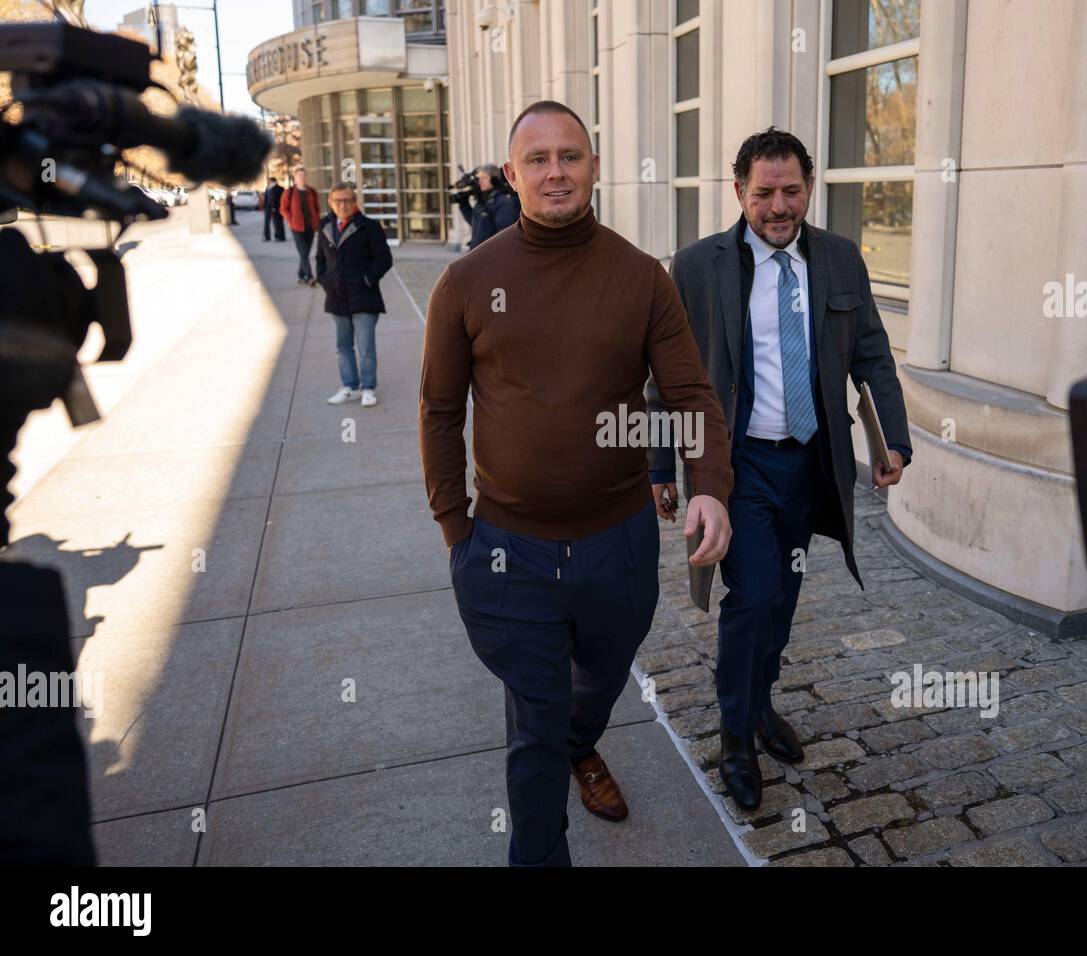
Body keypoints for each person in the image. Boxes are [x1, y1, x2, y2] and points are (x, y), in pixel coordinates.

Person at [419, 100, 734, 868]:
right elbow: (437, 410)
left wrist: (710, 485)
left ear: (594, 166)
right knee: (532, 727)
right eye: (538, 159)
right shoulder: (466, 281)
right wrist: (456, 527)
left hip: (617, 544)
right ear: (512, 173)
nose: (555, 171)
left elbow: (690, 396)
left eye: (570, 156)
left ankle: (582, 743)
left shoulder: (641, 277)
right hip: (506, 551)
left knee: (599, 676)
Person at [646, 127, 911, 810]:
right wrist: (658, 467)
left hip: (811, 464)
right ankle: (736, 734)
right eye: (763, 192)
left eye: (791, 190)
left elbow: (872, 355)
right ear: (739, 191)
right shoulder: (699, 267)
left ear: (809, 188)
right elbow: (664, 377)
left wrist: (894, 441)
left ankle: (761, 704)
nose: (778, 206)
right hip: (735, 468)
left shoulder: (841, 261)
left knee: (784, 603)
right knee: (754, 596)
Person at [316, 184, 392, 408]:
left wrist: (367, 279)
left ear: (355, 201)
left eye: (347, 200)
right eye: (338, 201)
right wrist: (324, 280)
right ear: (330, 203)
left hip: (364, 297)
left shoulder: (369, 227)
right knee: (343, 345)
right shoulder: (324, 226)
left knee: (365, 346)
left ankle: (368, 388)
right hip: (336, 296)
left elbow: (384, 259)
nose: (343, 205)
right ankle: (348, 386)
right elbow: (320, 258)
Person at [453, 163, 520, 249]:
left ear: (494, 180)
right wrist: (464, 204)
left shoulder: (503, 202)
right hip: (476, 253)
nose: (480, 182)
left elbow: (503, 234)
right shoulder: (482, 200)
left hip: (490, 256)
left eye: (484, 178)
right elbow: (475, 223)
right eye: (479, 179)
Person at [280, 167, 321, 285]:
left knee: (305, 253)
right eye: (300, 175)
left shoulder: (311, 191)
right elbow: (283, 209)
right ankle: (309, 276)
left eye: (304, 175)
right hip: (297, 227)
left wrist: (317, 221)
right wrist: (291, 220)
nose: (302, 178)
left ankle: (301, 275)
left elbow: (316, 208)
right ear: (295, 177)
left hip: (310, 227)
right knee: (303, 252)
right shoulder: (289, 192)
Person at [262, 176, 285, 242]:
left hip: (276, 208)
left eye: (269, 181)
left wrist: (275, 207)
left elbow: (281, 200)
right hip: (267, 208)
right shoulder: (268, 188)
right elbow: (266, 198)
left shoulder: (280, 188)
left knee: (277, 223)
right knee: (266, 223)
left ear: (273, 181)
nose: (268, 182)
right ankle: (267, 237)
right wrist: (264, 206)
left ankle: (280, 236)